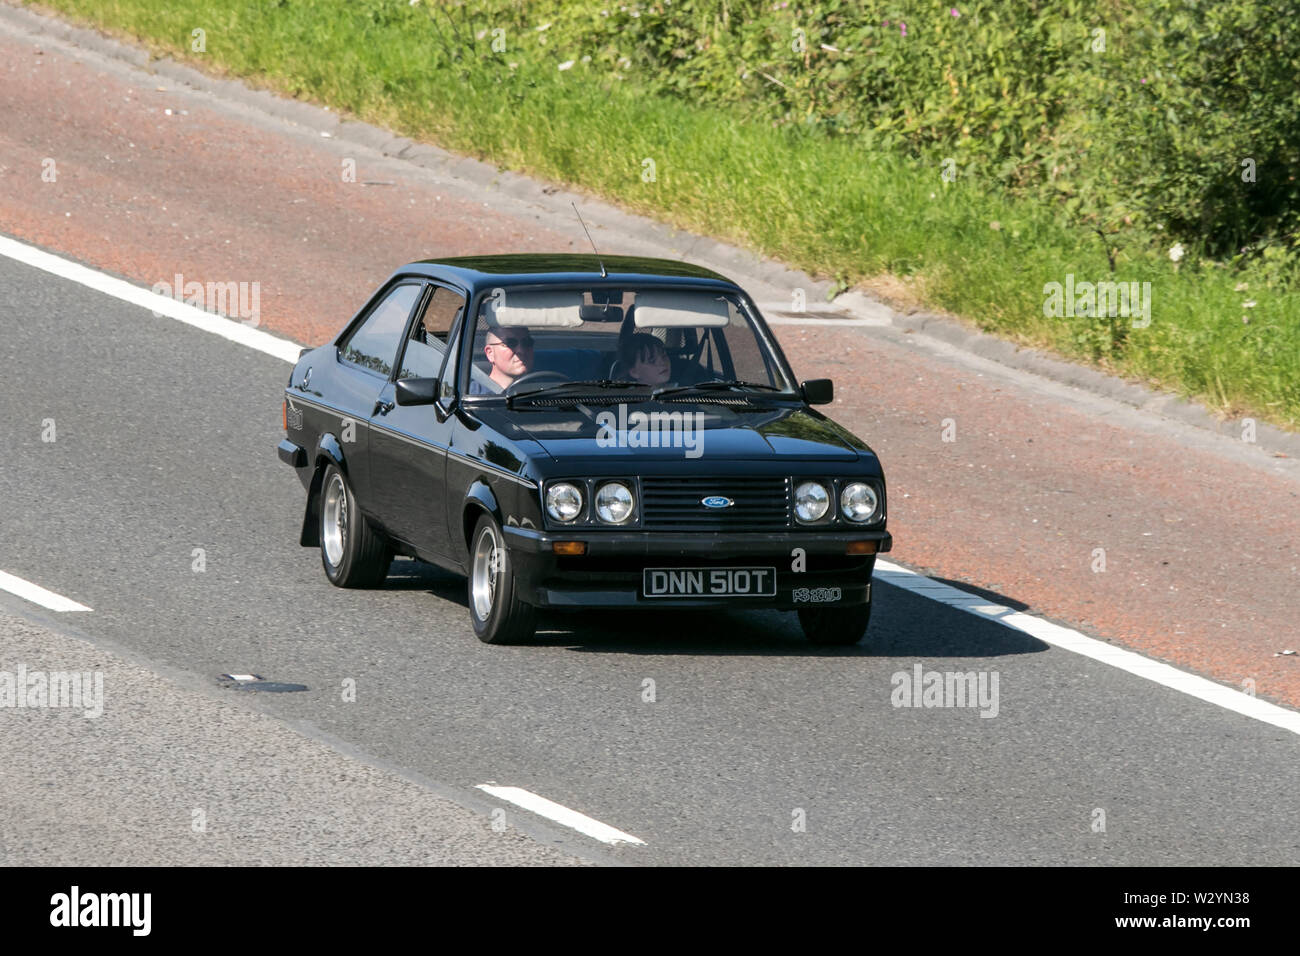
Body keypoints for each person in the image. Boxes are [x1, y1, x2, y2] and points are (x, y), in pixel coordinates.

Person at [470, 328, 534, 394]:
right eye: (510, 343)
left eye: (527, 342)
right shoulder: (472, 393)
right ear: (490, 353)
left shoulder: (541, 389)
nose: (521, 350)